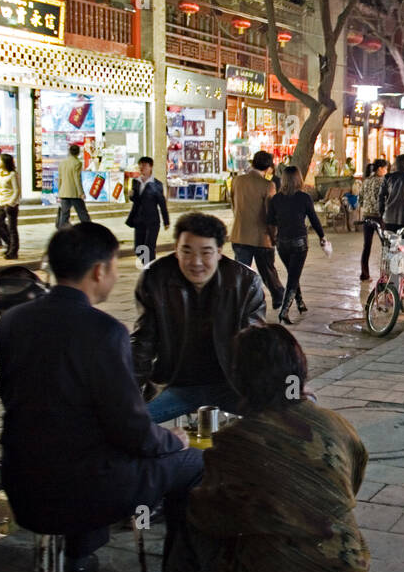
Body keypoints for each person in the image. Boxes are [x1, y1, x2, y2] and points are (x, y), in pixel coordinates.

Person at [0, 223, 206, 572]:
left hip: (22, 485)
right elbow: (131, 428)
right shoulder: (104, 331)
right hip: (89, 490)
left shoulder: (12, 321)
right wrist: (171, 441)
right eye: (113, 266)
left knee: (69, 439)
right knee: (194, 464)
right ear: (98, 271)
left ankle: (77, 563)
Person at [155, 324, 376, 572]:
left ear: (241, 381)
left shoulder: (233, 442)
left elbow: (210, 516)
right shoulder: (336, 425)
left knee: (193, 517)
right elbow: (350, 485)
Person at [134, 212, 267, 422]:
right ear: (176, 250)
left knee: (284, 418)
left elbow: (256, 346)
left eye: (206, 253)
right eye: (186, 251)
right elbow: (143, 343)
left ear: (220, 252)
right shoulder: (155, 279)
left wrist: (278, 386)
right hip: (174, 384)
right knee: (125, 423)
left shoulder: (245, 282)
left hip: (231, 385)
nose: (196, 262)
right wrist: (124, 392)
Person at [267, 166, 327, 324]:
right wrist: (322, 236)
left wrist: (274, 238)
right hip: (299, 242)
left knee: (293, 273)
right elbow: (314, 219)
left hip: (282, 243)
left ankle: (300, 303)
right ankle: (284, 311)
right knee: (293, 277)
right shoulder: (304, 198)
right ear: (298, 179)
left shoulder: (276, 199)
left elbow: (270, 221)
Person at [229, 150, 285, 310]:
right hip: (262, 236)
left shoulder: (237, 181)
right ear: (268, 168)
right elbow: (270, 214)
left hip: (240, 233)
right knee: (267, 269)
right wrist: (274, 235)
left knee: (241, 271)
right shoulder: (268, 185)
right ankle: (278, 295)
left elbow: (234, 204)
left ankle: (240, 300)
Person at [126, 156, 169, 267]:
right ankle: (148, 264)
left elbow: (162, 203)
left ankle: (150, 269)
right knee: (138, 247)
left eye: (144, 165)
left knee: (149, 247)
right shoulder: (136, 182)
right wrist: (131, 196)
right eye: (140, 165)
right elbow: (136, 200)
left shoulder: (157, 184)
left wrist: (166, 221)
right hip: (139, 219)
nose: (141, 168)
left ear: (150, 167)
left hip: (152, 220)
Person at [359, 158, 389, 281]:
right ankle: (386, 275)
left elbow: (360, 199)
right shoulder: (383, 181)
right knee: (386, 245)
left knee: (367, 246)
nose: (386, 171)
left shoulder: (366, 181)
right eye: (385, 168)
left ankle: (364, 274)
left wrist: (366, 207)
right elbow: (385, 199)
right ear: (380, 169)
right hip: (379, 217)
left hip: (367, 216)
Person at [0, 153, 21, 259]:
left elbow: (16, 190)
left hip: (10, 205)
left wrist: (11, 203)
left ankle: (13, 251)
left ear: (5, 162)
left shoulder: (12, 174)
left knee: (12, 228)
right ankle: (10, 244)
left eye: (0, 160)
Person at [56, 143, 90, 228]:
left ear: (69, 152)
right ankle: (89, 230)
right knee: (82, 213)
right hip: (74, 193)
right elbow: (76, 179)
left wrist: (60, 191)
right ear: (78, 153)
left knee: (64, 214)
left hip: (64, 192)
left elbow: (60, 178)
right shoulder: (77, 163)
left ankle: (61, 233)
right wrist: (81, 192)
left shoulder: (62, 163)